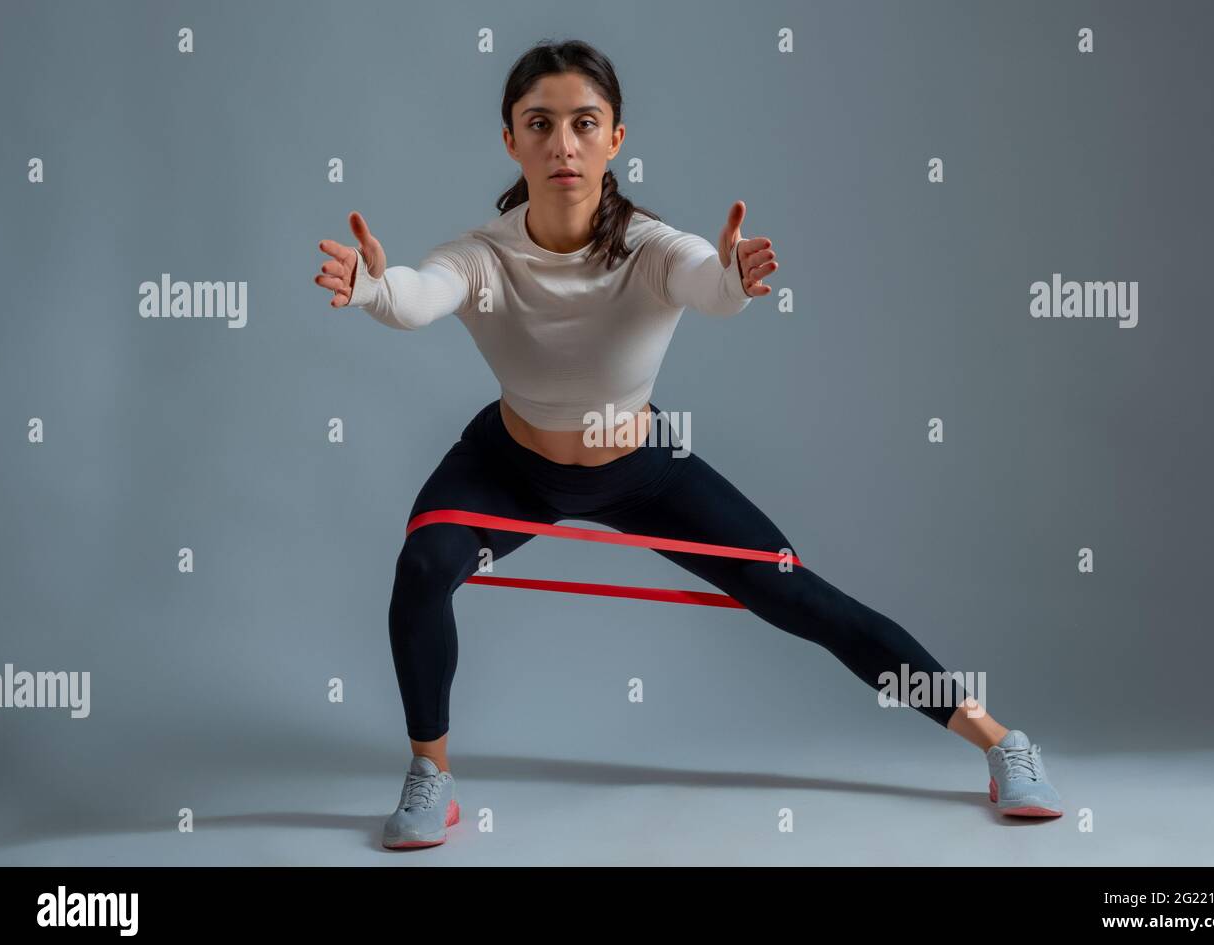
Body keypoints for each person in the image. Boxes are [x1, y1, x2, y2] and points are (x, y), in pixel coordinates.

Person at [314, 40, 1063, 850]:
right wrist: (373, 290)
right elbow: (420, 296)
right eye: (540, 124)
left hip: (643, 473)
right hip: (511, 467)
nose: (562, 144)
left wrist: (735, 282)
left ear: (615, 139)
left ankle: (1003, 743)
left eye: (583, 123)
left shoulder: (652, 246)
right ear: (512, 142)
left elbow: (709, 285)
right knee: (423, 568)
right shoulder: (483, 255)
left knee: (802, 598)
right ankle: (433, 774)